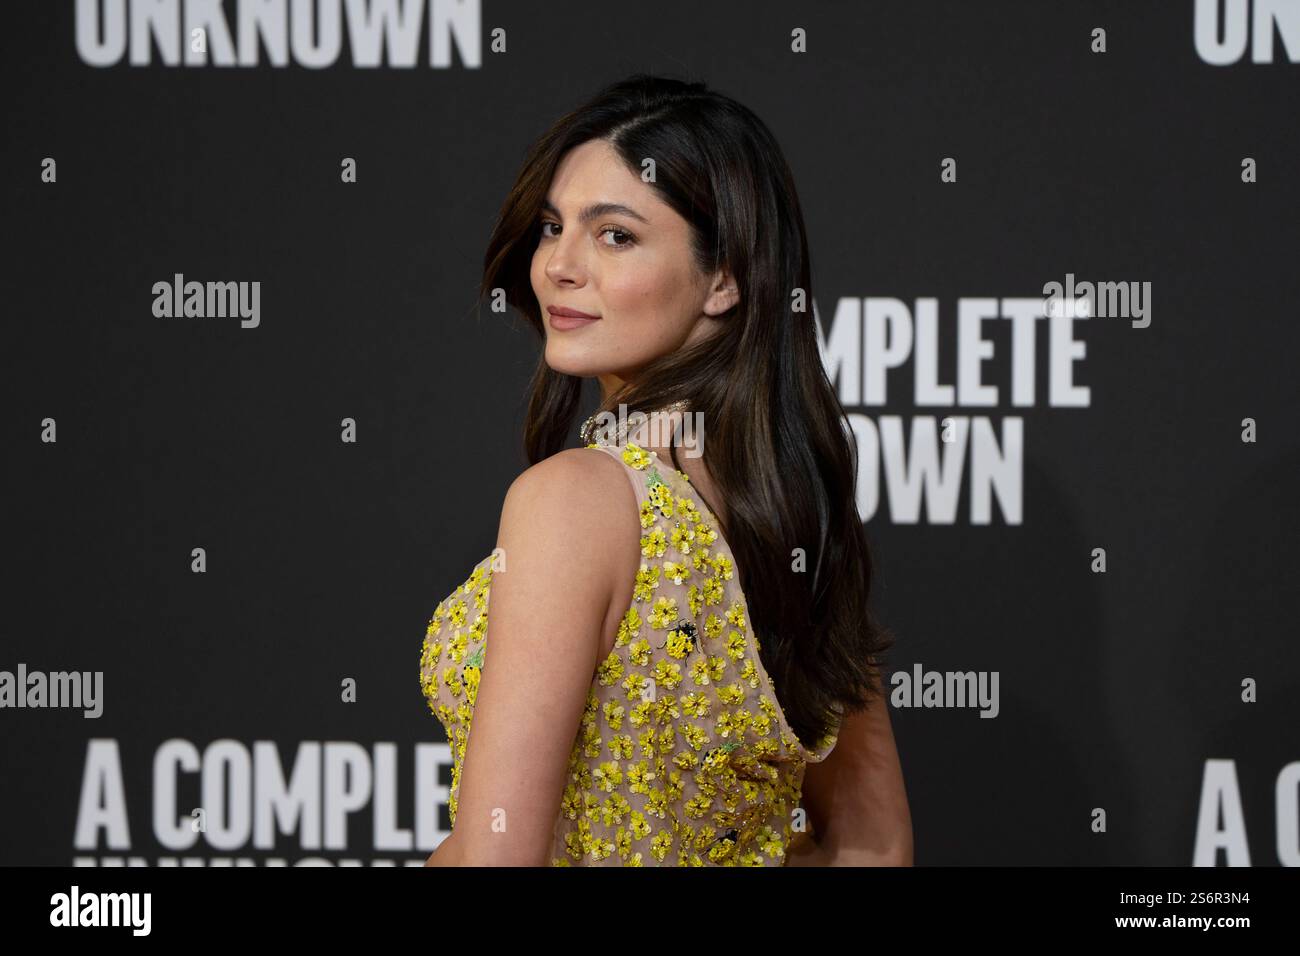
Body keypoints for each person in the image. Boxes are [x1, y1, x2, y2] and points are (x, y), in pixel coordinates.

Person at [420, 74, 911, 866]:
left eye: (616, 235)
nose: (559, 267)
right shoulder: (794, 514)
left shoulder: (573, 501)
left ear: (726, 279)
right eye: (552, 227)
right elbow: (874, 847)